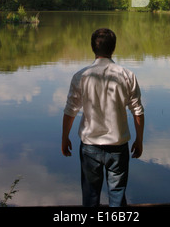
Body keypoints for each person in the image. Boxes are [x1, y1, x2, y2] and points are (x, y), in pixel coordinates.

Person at [61, 28, 144, 207]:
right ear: (113, 48)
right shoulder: (127, 75)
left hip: (90, 146)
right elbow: (137, 110)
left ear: (93, 48)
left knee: (90, 198)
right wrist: (139, 140)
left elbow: (70, 110)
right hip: (118, 146)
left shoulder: (81, 76)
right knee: (117, 195)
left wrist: (64, 138)